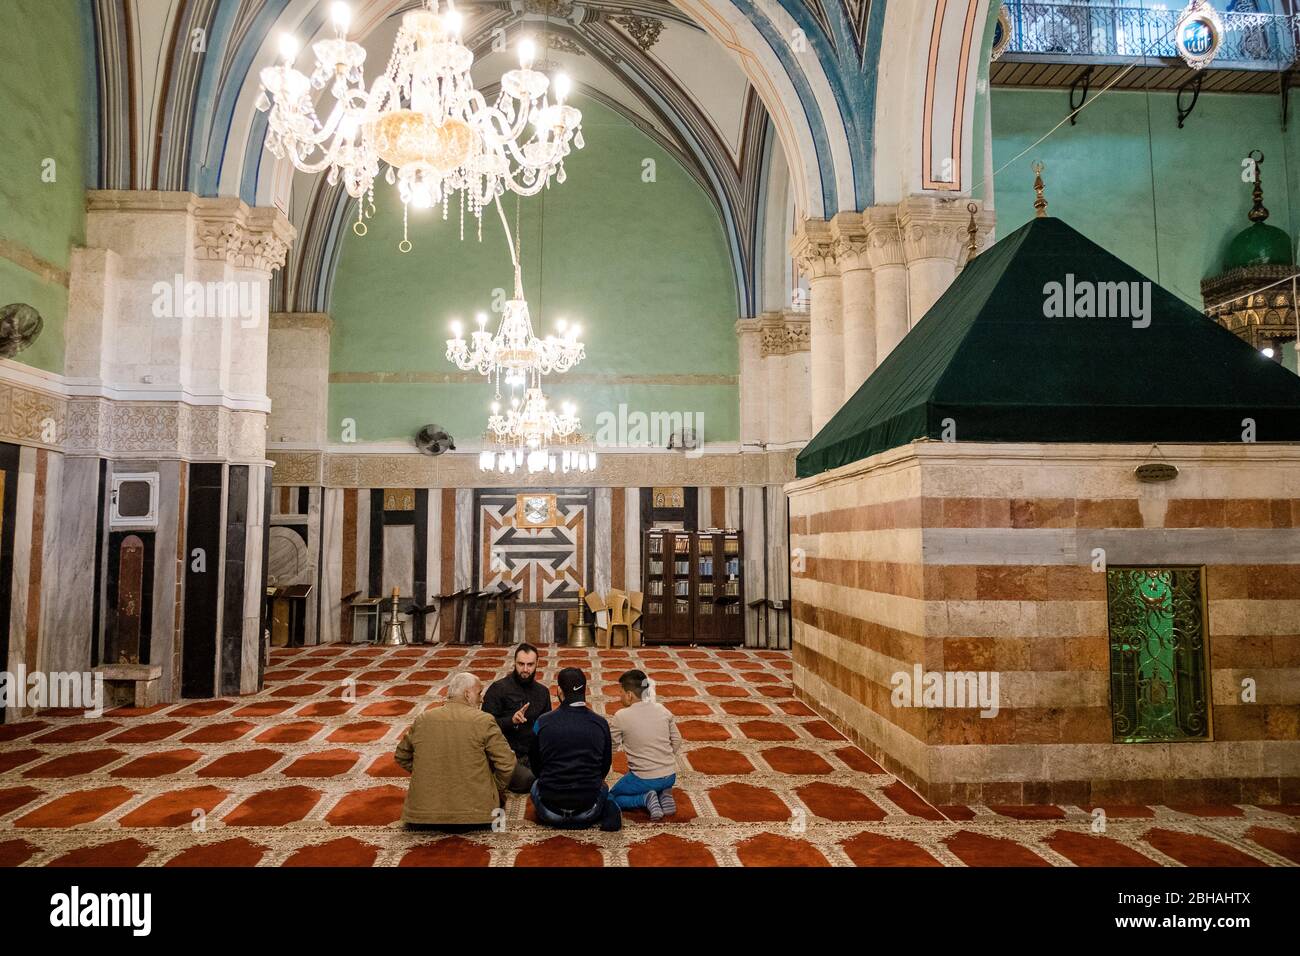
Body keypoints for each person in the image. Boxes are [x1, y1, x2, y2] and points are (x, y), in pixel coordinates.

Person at [394, 672, 516, 830]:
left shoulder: (423, 719)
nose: (482, 699)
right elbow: (507, 763)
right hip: (475, 817)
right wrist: (493, 788)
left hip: (423, 817)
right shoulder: (483, 720)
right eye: (479, 693)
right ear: (467, 694)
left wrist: (429, 771)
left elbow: (401, 756)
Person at [529, 666, 621, 832]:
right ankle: (604, 810)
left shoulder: (541, 722)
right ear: (585, 690)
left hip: (550, 812)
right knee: (604, 786)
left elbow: (535, 765)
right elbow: (604, 768)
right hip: (588, 811)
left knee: (536, 784)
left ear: (559, 691)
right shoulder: (600, 724)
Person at [609, 669, 681, 820]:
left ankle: (645, 799)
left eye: (621, 692)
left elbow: (611, 747)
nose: (619, 696)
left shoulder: (621, 716)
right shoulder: (662, 709)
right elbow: (677, 740)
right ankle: (664, 793)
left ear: (629, 695)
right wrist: (663, 759)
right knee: (658, 780)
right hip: (670, 775)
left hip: (644, 778)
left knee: (610, 797)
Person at [481, 642, 551, 793]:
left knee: (561, 772)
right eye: (521, 664)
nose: (525, 669)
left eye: (530, 664)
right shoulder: (498, 689)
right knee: (529, 781)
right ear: (514, 662)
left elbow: (546, 728)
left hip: (532, 753)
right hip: (505, 755)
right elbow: (484, 727)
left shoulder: (542, 692)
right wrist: (510, 721)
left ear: (537, 663)